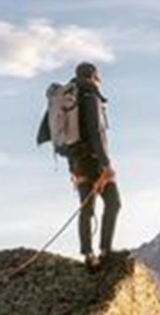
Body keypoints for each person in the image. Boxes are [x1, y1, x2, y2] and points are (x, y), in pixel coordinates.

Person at [67, 62, 122, 271]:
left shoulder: (72, 99)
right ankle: (105, 251)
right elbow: (96, 133)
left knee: (86, 208)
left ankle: (88, 255)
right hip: (95, 161)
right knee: (114, 202)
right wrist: (106, 165)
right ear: (94, 77)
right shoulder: (91, 97)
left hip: (77, 162)